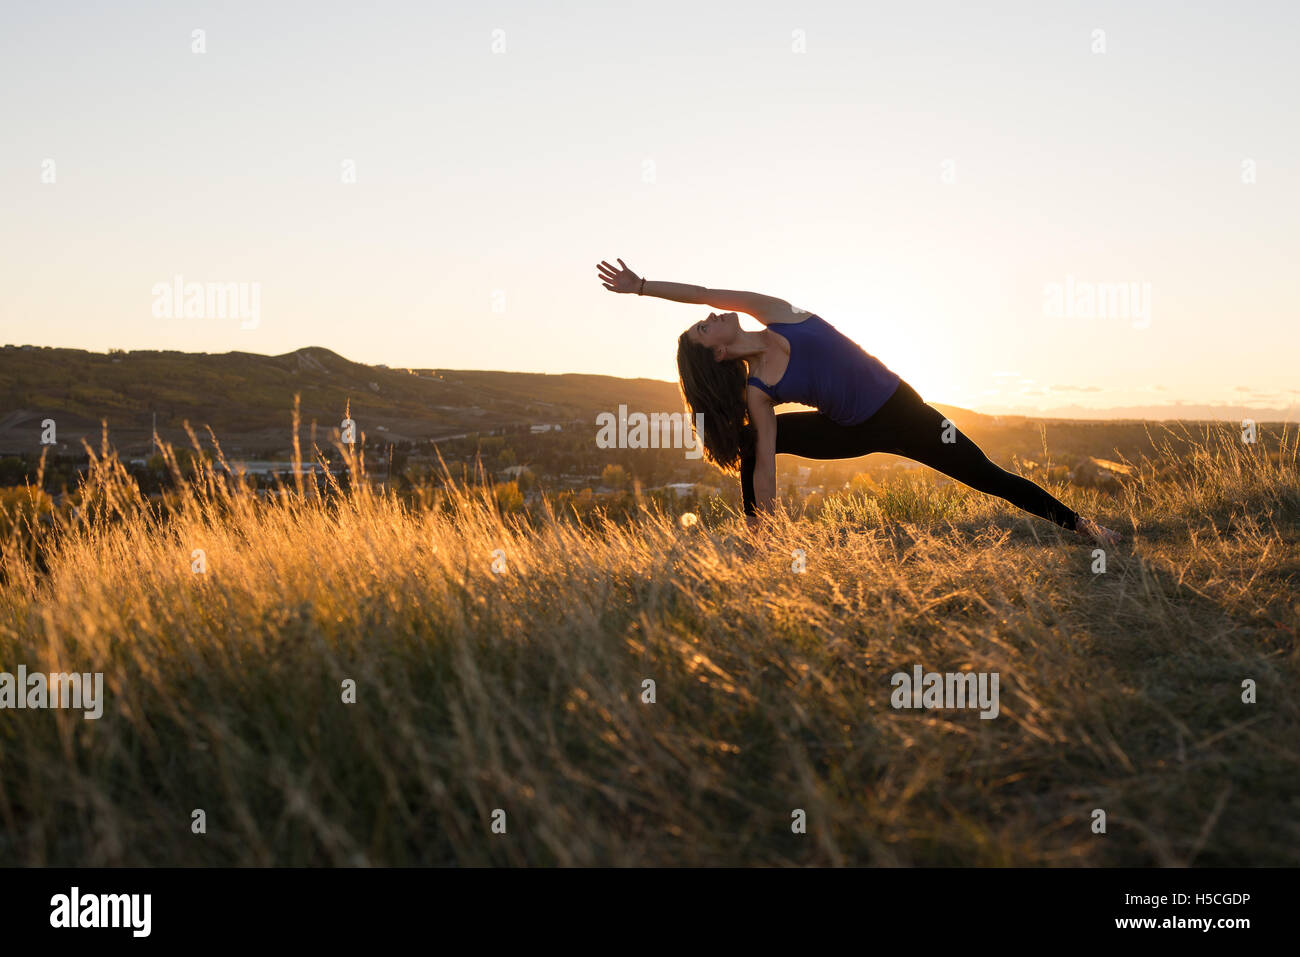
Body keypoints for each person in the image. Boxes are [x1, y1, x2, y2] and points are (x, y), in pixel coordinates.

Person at [596, 258, 1122, 547]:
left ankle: (1086, 528)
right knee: (753, 443)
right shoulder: (760, 392)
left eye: (708, 318)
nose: (713, 317)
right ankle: (761, 546)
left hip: (903, 410)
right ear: (716, 352)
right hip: (850, 430)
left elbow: (702, 290)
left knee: (984, 473)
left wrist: (641, 285)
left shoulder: (773, 312)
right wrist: (769, 530)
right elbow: (765, 476)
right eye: (705, 327)